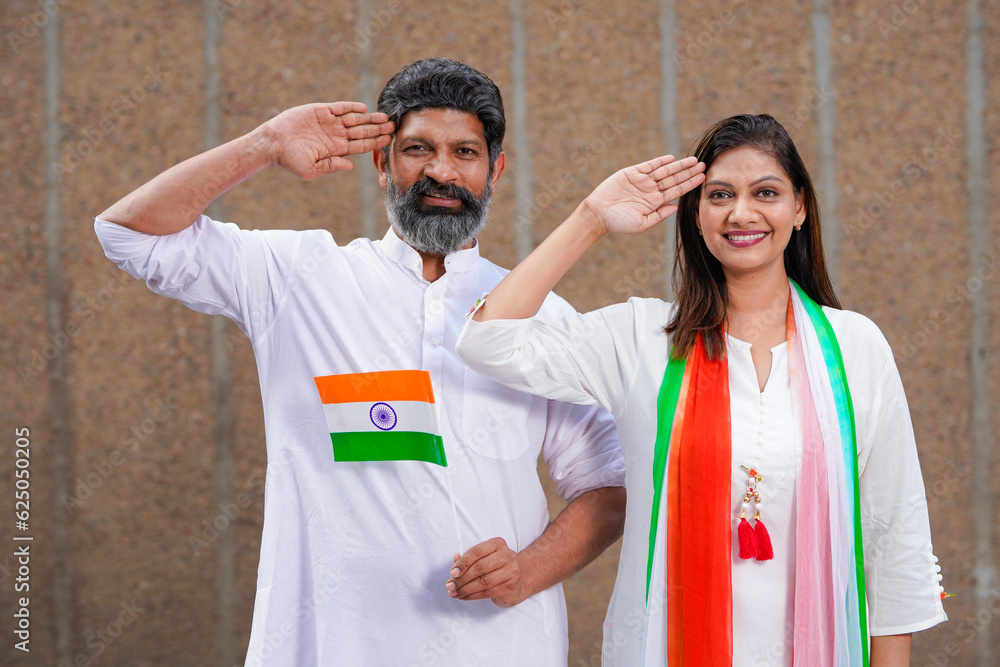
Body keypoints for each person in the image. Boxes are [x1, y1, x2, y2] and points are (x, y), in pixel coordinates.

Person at [94, 58, 627, 666]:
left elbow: (609, 482)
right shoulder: (298, 279)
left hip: (502, 648)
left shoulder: (540, 314)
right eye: (417, 149)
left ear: (496, 169)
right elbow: (130, 234)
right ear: (381, 163)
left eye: (465, 153)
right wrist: (264, 145)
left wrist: (528, 570)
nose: (440, 171)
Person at [456, 114, 947, 666]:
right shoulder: (642, 339)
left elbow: (893, 531)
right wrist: (590, 219)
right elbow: (487, 342)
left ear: (800, 207)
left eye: (766, 192)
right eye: (719, 195)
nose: (742, 213)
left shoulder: (856, 348)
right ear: (696, 213)